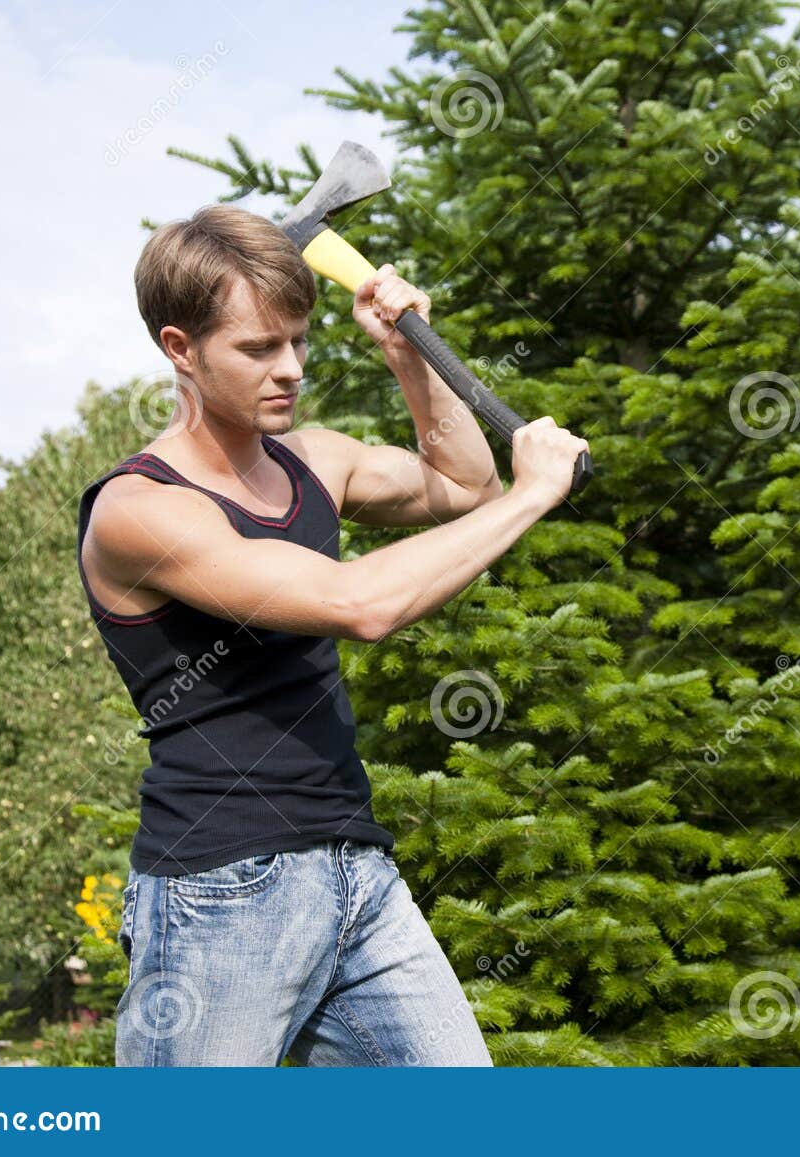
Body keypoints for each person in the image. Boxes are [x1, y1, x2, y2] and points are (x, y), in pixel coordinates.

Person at [75, 204, 588, 1066]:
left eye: (300, 343)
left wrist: (406, 355)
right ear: (179, 347)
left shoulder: (313, 459)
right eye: (259, 348)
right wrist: (534, 496)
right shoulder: (140, 511)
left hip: (356, 870)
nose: (290, 370)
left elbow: (462, 484)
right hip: (220, 892)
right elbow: (362, 605)